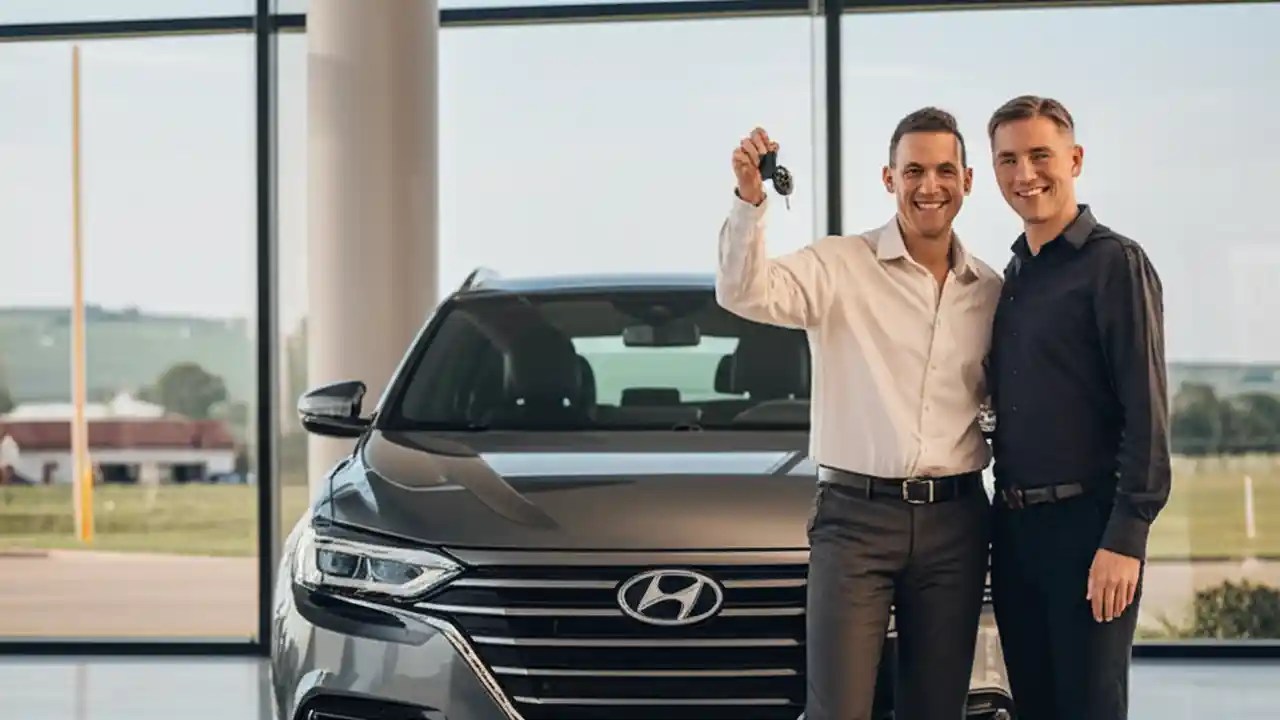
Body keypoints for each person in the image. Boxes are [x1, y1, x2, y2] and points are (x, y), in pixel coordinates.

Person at [716, 108, 1003, 720]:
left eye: (945, 170)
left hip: (957, 522)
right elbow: (744, 291)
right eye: (914, 171)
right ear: (888, 178)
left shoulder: (990, 289)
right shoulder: (839, 265)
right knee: (838, 710)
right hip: (854, 521)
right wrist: (750, 200)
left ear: (968, 181)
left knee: (937, 709)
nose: (930, 186)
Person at [983, 94, 1172, 720]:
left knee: (1090, 706)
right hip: (1013, 534)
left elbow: (1146, 411)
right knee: (1032, 706)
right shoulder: (1014, 273)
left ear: (1076, 158)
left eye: (1040, 155)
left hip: (1089, 533)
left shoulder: (1114, 264)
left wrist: (1127, 535)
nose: (1024, 173)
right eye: (1008, 159)